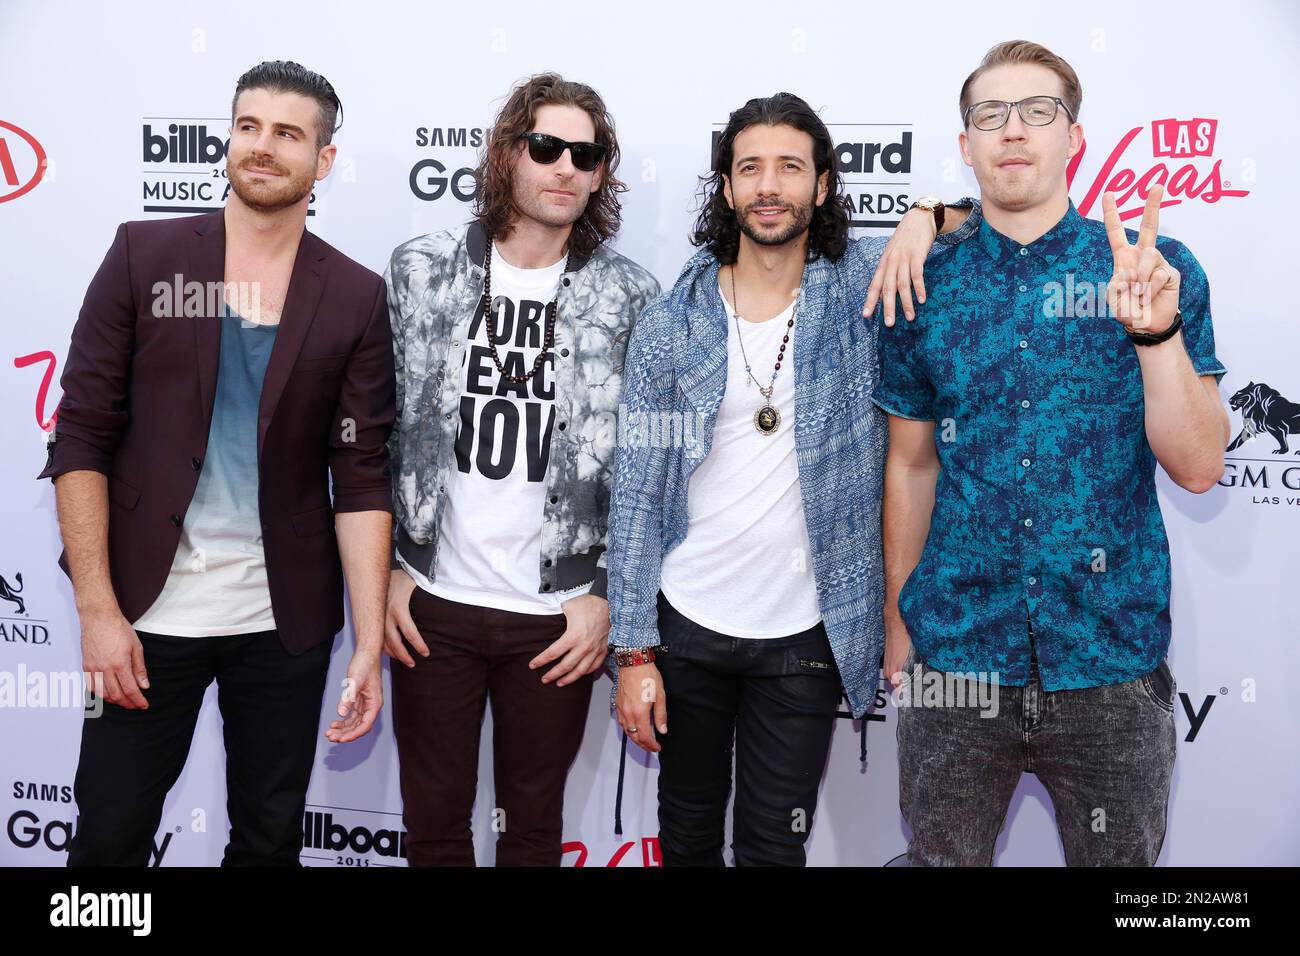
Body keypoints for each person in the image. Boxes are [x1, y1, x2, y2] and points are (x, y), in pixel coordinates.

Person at [875, 40, 1230, 866]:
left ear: (1075, 137)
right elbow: (911, 464)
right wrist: (898, 617)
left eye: (1039, 112)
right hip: (956, 656)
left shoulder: (1154, 271)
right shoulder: (922, 280)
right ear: (965, 146)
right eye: (989, 115)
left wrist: (1155, 332)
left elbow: (1199, 466)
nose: (1013, 131)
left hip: (1109, 657)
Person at [609, 91, 981, 866]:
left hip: (805, 632)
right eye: (750, 169)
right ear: (726, 188)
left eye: (789, 167)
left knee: (777, 850)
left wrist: (923, 216)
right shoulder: (672, 325)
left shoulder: (860, 289)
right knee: (684, 840)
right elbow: (640, 495)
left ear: (821, 185)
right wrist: (635, 654)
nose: (768, 186)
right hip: (688, 622)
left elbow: (975, 221)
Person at [40, 60, 396, 866]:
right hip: (141, 620)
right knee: (106, 838)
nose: (262, 148)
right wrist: (97, 609)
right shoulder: (147, 256)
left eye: (287, 133)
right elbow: (82, 436)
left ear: (324, 161)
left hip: (283, 629)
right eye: (248, 126)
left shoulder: (352, 295)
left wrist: (368, 641)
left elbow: (362, 474)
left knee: (268, 844)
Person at [382, 73, 660, 866]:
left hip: (559, 618)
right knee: (432, 826)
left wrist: (604, 593)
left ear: (603, 171)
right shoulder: (421, 272)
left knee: (533, 831)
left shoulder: (631, 296)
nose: (565, 166)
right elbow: (376, 433)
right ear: (508, 155)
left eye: (587, 152)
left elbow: (649, 473)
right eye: (546, 147)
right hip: (432, 604)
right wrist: (392, 569)